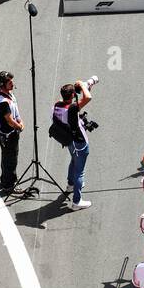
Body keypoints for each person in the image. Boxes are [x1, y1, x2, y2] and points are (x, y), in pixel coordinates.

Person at [52, 78, 93, 209]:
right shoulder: (72, 109)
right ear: (72, 96)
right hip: (79, 142)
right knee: (79, 172)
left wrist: (75, 92)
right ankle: (77, 201)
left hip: (69, 141)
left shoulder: (57, 105)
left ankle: (70, 185)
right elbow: (88, 97)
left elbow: (68, 101)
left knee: (73, 162)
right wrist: (82, 85)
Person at [0, 70, 23, 195]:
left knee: (7, 159)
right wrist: (19, 126)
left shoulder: (7, 94)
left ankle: (5, 180)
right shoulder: (3, 102)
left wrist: (20, 120)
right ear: (2, 85)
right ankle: (9, 185)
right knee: (10, 160)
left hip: (10, 134)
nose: (12, 83)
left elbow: (15, 112)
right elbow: (9, 120)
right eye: (9, 81)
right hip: (9, 136)